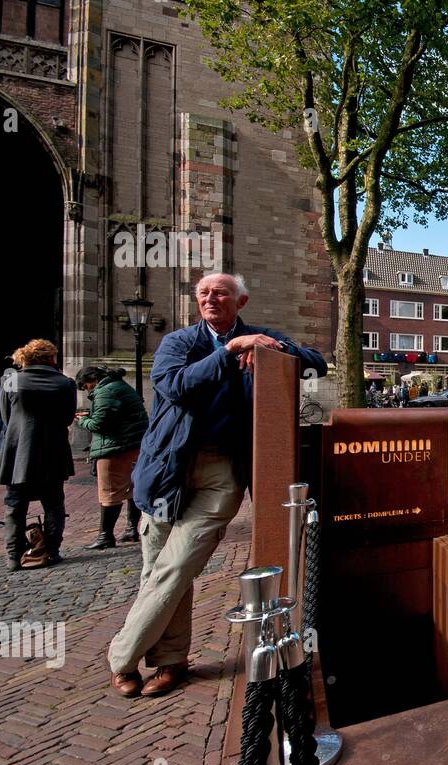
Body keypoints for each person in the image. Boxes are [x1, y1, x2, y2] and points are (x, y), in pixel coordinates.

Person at [106, 272, 326, 698]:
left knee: (177, 564)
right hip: (167, 470)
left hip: (221, 472)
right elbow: (174, 385)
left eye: (221, 292)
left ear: (240, 301)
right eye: (203, 293)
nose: (210, 299)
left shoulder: (259, 336)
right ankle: (171, 663)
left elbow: (314, 362)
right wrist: (230, 351)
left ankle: (122, 656)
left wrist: (275, 350)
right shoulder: (178, 343)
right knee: (161, 571)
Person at [0, 340, 77, 570]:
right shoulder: (65, 384)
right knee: (54, 504)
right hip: (53, 451)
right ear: (50, 358)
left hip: (19, 451)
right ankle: (51, 551)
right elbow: (67, 418)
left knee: (14, 505)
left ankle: (13, 556)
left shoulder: (10, 380)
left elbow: (6, 417)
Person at [74, 366, 149, 550]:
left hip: (115, 447)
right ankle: (131, 529)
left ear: (92, 380)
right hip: (134, 443)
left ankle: (105, 535)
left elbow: (101, 423)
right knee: (132, 489)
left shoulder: (106, 390)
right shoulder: (119, 385)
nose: (87, 390)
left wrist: (83, 420)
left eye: (86, 386)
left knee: (109, 493)